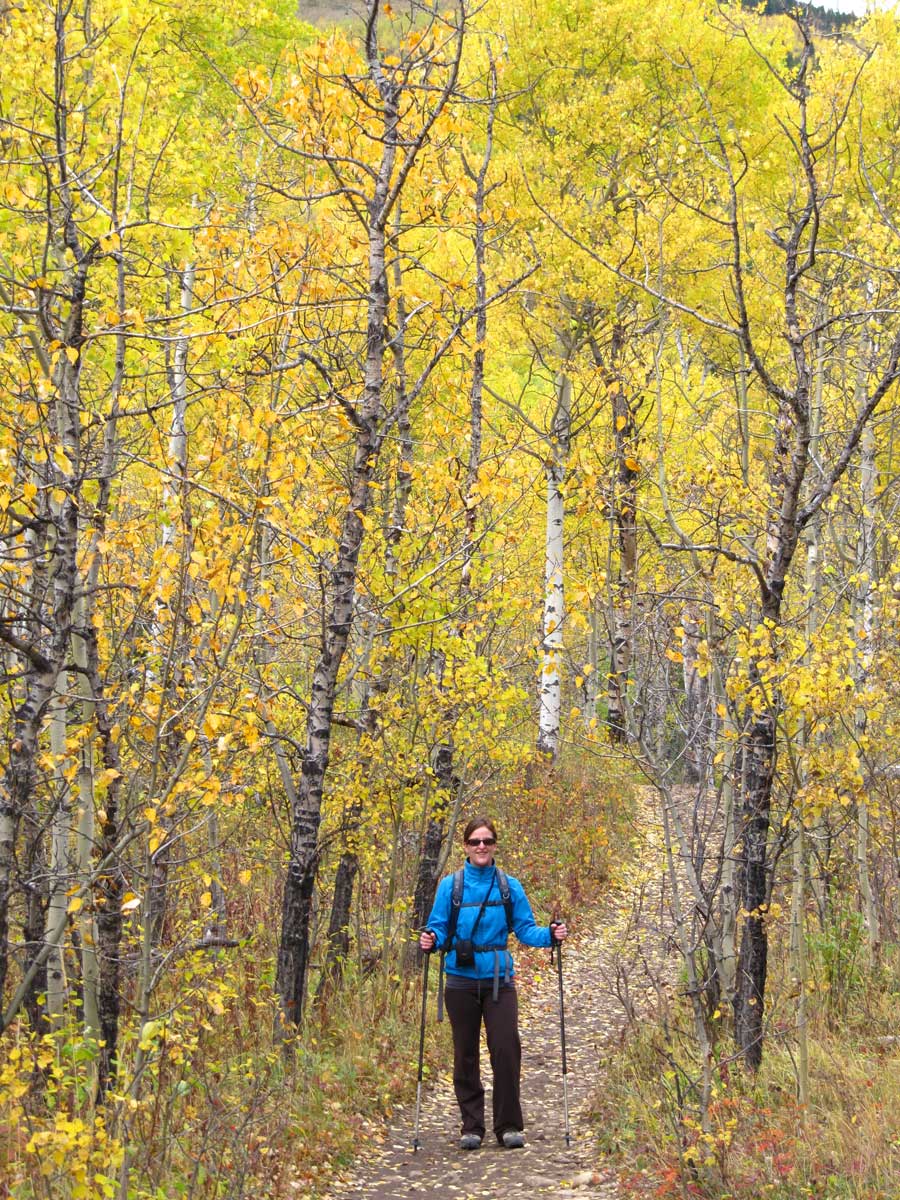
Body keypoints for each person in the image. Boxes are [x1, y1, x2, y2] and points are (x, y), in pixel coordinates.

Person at [419, 816, 568, 1151]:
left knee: (505, 1049)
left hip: (500, 980)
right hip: (460, 980)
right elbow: (439, 928)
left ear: (495, 844)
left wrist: (551, 936)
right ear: (466, 847)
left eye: (487, 841)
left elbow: (526, 929)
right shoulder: (451, 886)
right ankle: (472, 1127)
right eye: (475, 842)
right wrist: (431, 938)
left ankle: (509, 1126)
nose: (481, 847)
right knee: (465, 1054)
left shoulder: (509, 886)